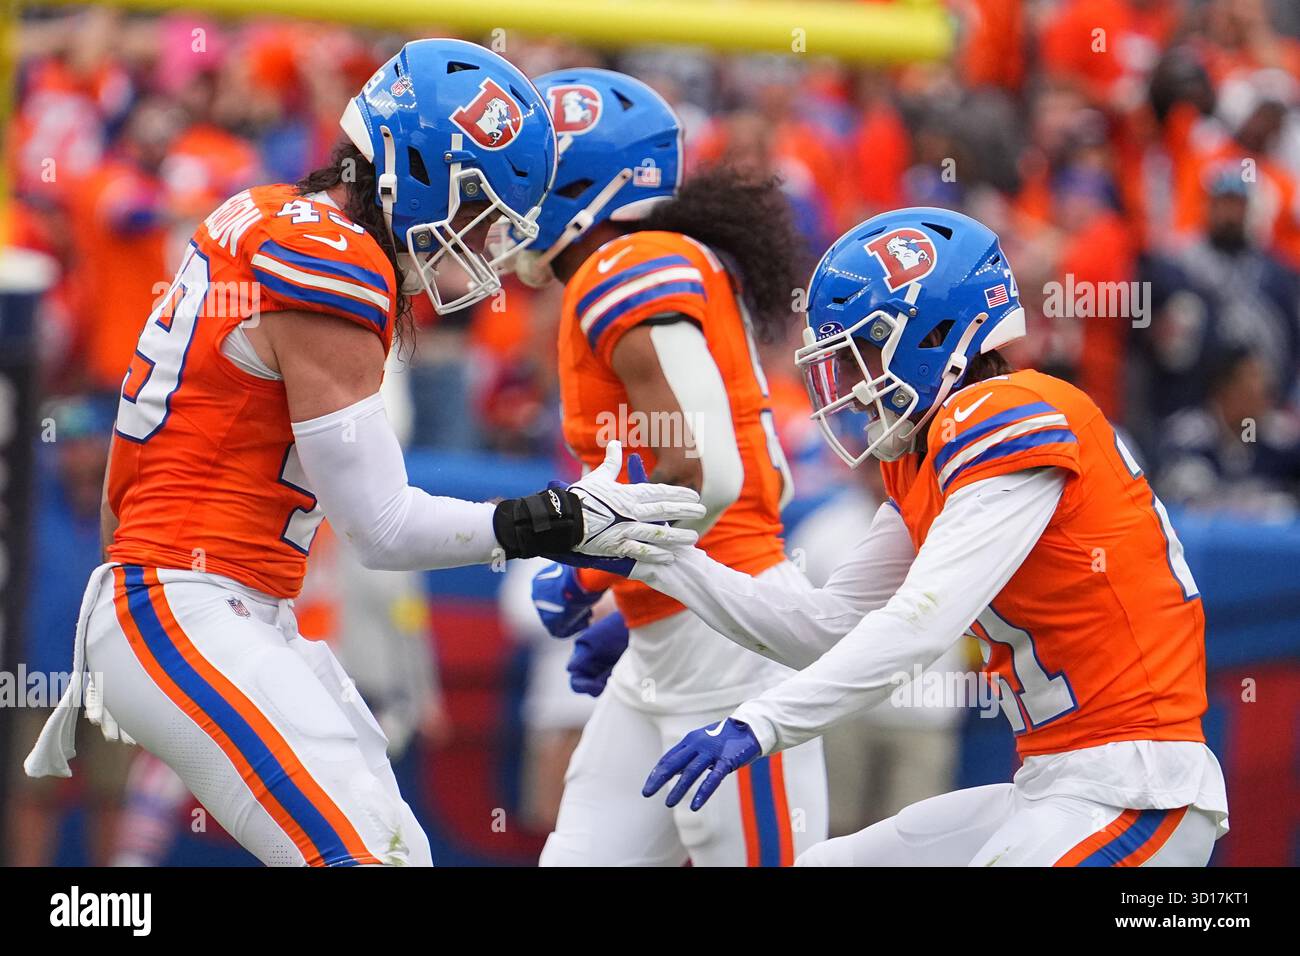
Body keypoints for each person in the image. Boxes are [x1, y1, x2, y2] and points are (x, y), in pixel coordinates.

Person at [24, 38, 706, 868]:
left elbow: (127, 492)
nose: (486, 242)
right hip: (190, 602)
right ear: (418, 173)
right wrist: (559, 520)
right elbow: (382, 527)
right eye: (480, 209)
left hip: (203, 603)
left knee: (396, 854)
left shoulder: (268, 213)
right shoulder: (331, 259)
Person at [630, 207, 1228, 866]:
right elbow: (825, 626)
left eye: (860, 354)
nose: (852, 389)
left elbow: (920, 623)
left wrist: (760, 722)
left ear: (934, 332)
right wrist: (651, 557)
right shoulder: (925, 454)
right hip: (1053, 786)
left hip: (1136, 790)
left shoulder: (1002, 411)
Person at [512, 68, 827, 866]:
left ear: (586, 186)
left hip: (730, 647)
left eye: (526, 174)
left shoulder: (627, 266)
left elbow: (704, 473)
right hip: (676, 638)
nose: (510, 199)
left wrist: (589, 577)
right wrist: (630, 603)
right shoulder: (635, 263)